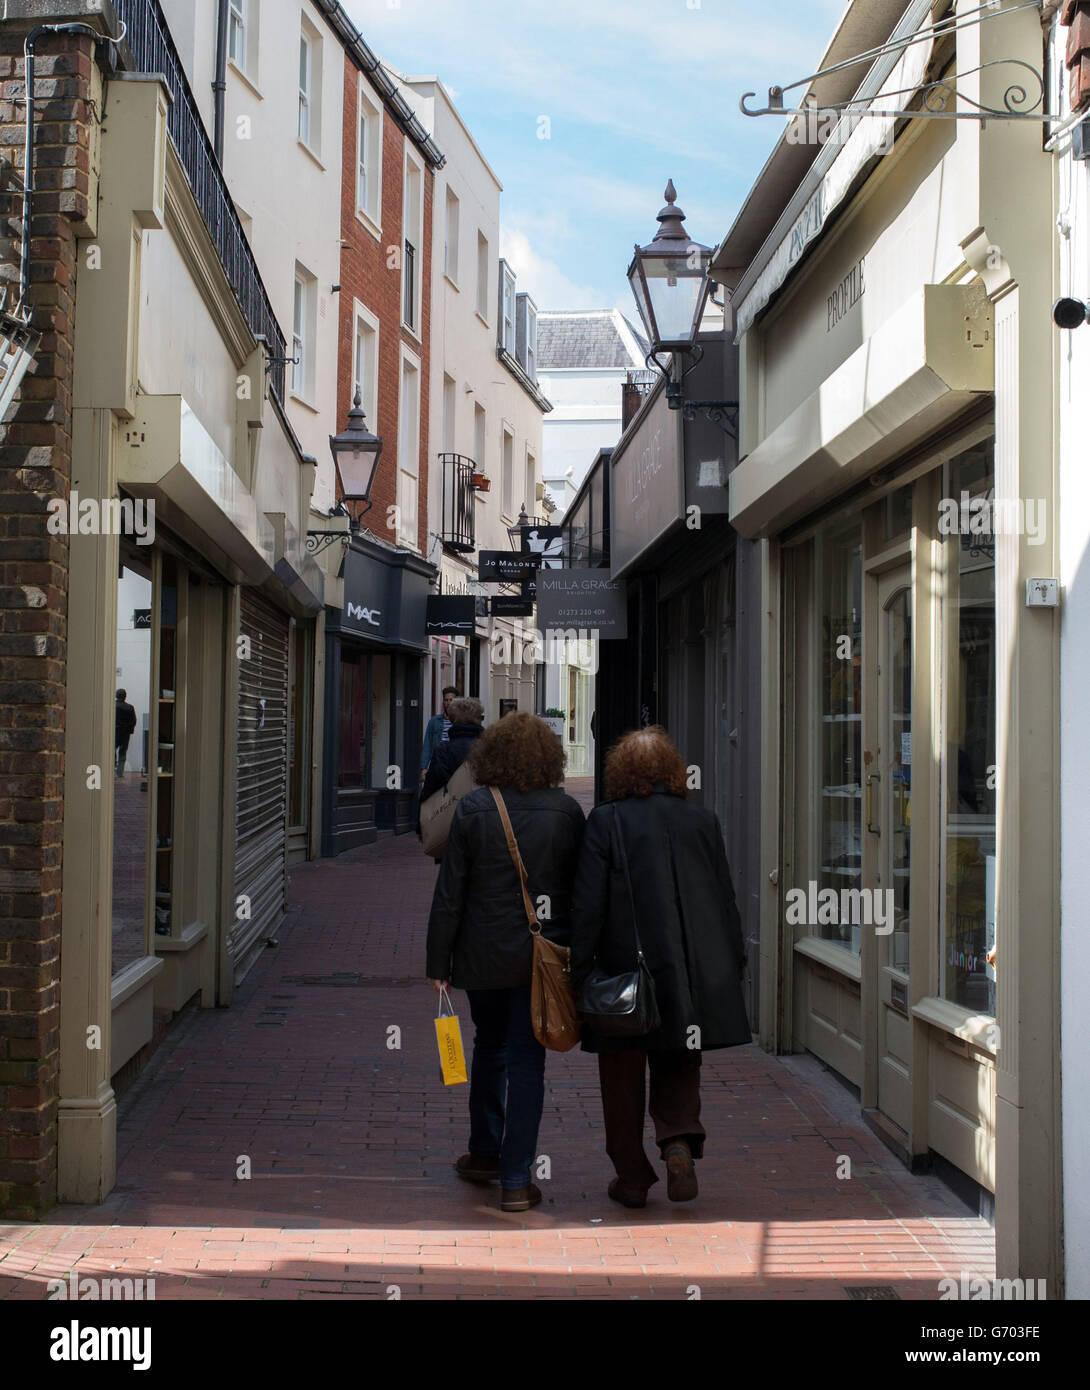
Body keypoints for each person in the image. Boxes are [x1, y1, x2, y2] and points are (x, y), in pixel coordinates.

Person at [570, 725, 750, 1209]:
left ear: (620, 773)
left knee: (621, 1077)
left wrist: (578, 970)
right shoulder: (703, 821)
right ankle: (677, 1141)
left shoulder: (605, 821)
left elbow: (587, 904)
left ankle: (631, 1178)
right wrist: (732, 959)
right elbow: (724, 898)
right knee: (679, 1059)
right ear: (675, 771)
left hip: (621, 974)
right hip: (687, 973)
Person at [426, 712, 585, 1212]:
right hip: (541, 959)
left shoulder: (473, 809)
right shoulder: (566, 812)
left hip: (481, 957)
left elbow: (450, 893)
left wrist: (439, 962)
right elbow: (580, 892)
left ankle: (484, 1152)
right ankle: (517, 1178)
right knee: (528, 1060)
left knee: (488, 1045)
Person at [417, 697, 486, 839]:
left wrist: (421, 825)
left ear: (453, 719)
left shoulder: (444, 751)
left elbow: (431, 788)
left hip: (451, 821)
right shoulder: (489, 749)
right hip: (485, 819)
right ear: (478, 720)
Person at [421, 687, 459, 784]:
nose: (449, 703)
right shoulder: (434, 721)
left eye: (451, 700)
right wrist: (423, 767)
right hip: (438, 762)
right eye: (446, 700)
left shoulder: (461, 722)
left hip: (454, 763)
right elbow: (427, 745)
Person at [115, 689, 137, 778]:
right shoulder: (129, 707)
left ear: (116, 695)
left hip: (114, 732)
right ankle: (119, 772)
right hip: (125, 733)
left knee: (111, 750)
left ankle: (111, 769)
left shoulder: (112, 706)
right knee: (123, 752)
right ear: (125, 696)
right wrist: (129, 730)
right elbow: (133, 721)